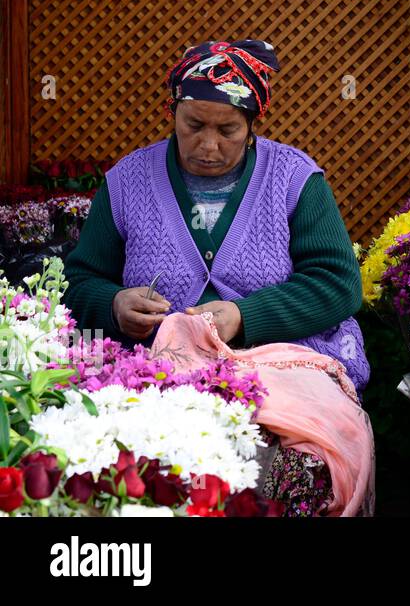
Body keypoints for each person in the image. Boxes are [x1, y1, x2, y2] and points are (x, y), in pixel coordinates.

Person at [63, 39, 373, 515]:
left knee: (287, 470)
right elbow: (81, 279)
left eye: (228, 128)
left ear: (252, 126)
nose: (208, 144)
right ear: (173, 114)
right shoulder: (127, 181)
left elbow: (338, 283)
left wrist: (244, 317)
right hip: (157, 368)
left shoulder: (293, 179)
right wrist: (113, 304)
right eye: (193, 125)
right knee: (143, 466)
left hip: (280, 366)